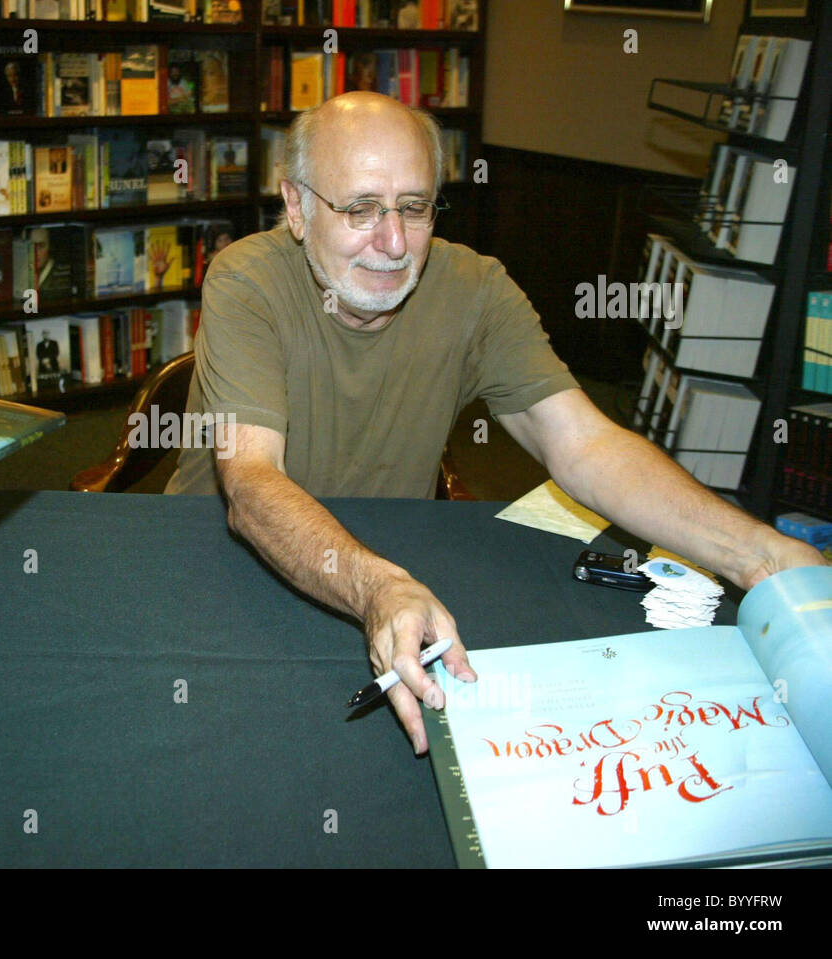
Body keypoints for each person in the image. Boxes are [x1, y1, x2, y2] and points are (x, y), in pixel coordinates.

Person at [165, 92, 826, 755]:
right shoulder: (246, 280)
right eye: (361, 209)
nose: (393, 243)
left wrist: (765, 556)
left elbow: (584, 443)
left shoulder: (476, 290)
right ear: (297, 206)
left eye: (415, 207)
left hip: (395, 571)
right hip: (217, 574)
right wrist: (376, 586)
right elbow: (250, 483)